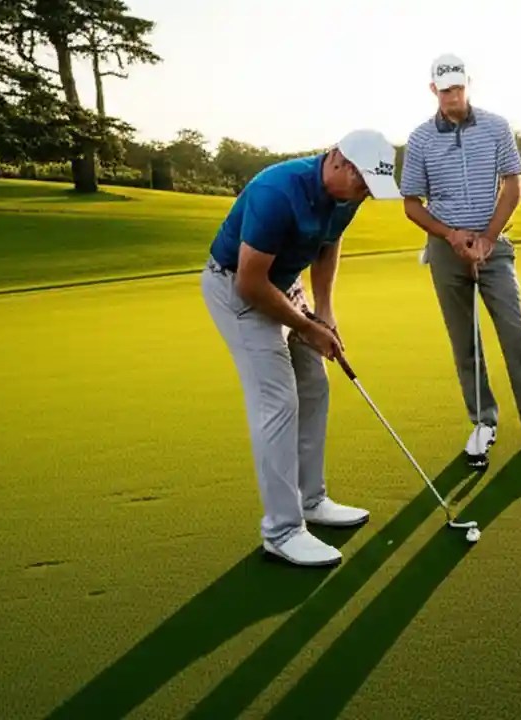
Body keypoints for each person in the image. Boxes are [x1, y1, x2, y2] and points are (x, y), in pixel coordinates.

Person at [201, 128, 401, 567]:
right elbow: (250, 282)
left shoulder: (346, 197)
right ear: (337, 160)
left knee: (315, 386)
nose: (364, 195)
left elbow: (328, 245)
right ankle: (282, 530)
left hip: (285, 287)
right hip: (236, 289)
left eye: (371, 188)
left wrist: (324, 312)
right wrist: (306, 328)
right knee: (278, 400)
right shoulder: (278, 190)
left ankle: (311, 500)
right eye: (362, 183)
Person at [400, 52, 521, 466]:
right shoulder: (420, 138)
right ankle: (483, 422)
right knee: (465, 343)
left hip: (493, 246)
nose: (452, 97)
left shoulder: (495, 127)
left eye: (457, 88)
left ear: (468, 85)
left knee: (515, 332)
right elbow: (411, 204)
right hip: (446, 251)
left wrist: (489, 238)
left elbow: (514, 186)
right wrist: (451, 236)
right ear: (433, 90)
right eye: (444, 91)